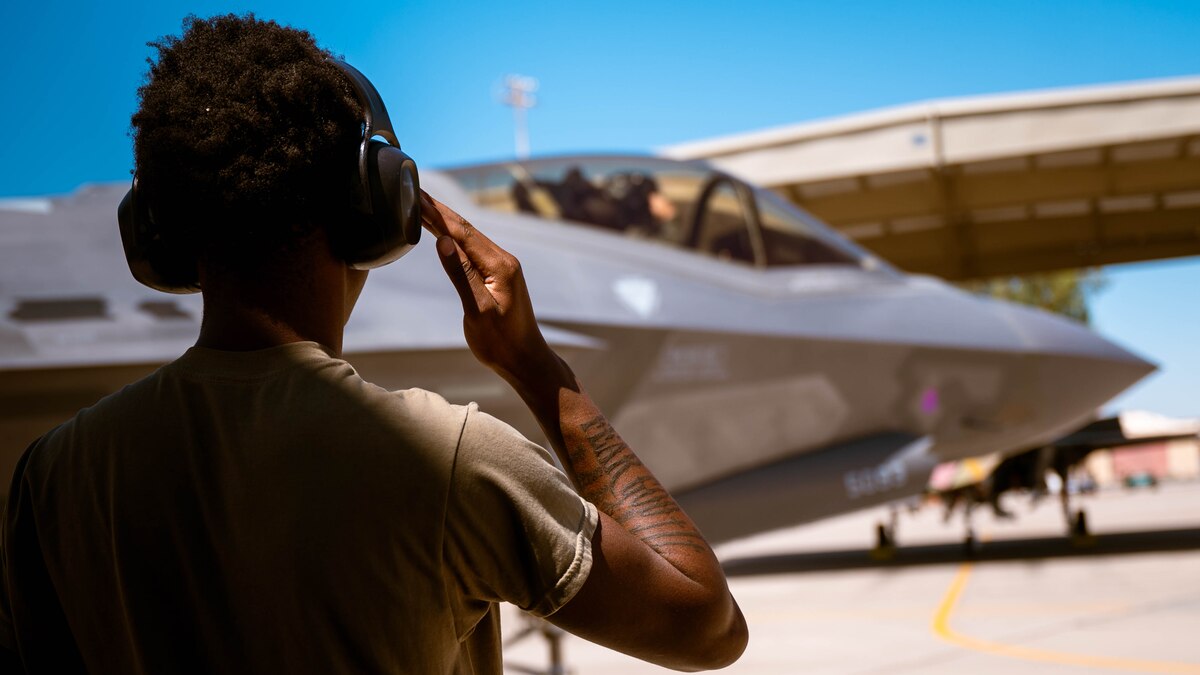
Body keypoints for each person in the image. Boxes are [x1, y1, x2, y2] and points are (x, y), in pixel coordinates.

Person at [0, 14, 747, 674]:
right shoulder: (445, 459)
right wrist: (535, 367)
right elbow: (705, 626)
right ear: (373, 207)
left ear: (155, 233)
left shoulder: (53, 480)